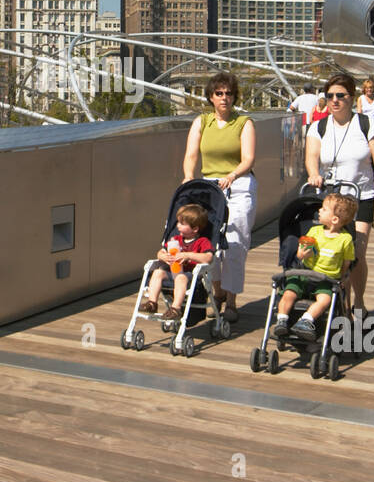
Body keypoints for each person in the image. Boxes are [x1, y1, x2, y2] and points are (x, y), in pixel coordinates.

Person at [305, 72, 374, 315]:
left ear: (351, 97)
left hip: (360, 197)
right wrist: (314, 173)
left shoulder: (367, 124)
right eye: (330, 96)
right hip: (331, 200)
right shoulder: (319, 126)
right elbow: (311, 158)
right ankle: (340, 304)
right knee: (335, 251)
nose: (334, 101)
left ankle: (358, 302)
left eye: (341, 96)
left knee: (356, 252)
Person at [184, 71, 256, 322]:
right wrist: (188, 177)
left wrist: (233, 175)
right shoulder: (202, 122)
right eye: (219, 93)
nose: (224, 98)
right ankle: (217, 290)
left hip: (239, 185)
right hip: (209, 187)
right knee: (208, 242)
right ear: (211, 97)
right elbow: (191, 155)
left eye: (229, 93)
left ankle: (232, 302)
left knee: (235, 244)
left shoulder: (243, 122)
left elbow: (248, 158)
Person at [272, 193, 358, 340]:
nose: (319, 211)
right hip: (305, 273)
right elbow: (300, 253)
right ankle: (282, 319)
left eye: (323, 209)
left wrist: (342, 277)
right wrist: (301, 255)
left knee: (325, 299)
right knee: (288, 293)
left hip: (326, 279)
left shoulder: (345, 240)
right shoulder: (314, 232)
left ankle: (306, 321)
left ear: (335, 219)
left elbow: (346, 262)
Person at [140, 203, 215, 320]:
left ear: (195, 229)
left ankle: (175, 308)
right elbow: (160, 252)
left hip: (191, 274)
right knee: (157, 272)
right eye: (178, 222)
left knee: (180, 278)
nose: (177, 226)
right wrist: (163, 256)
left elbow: (208, 258)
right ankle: (152, 303)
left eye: (182, 223)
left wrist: (188, 255)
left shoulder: (202, 241)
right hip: (172, 271)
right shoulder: (175, 240)